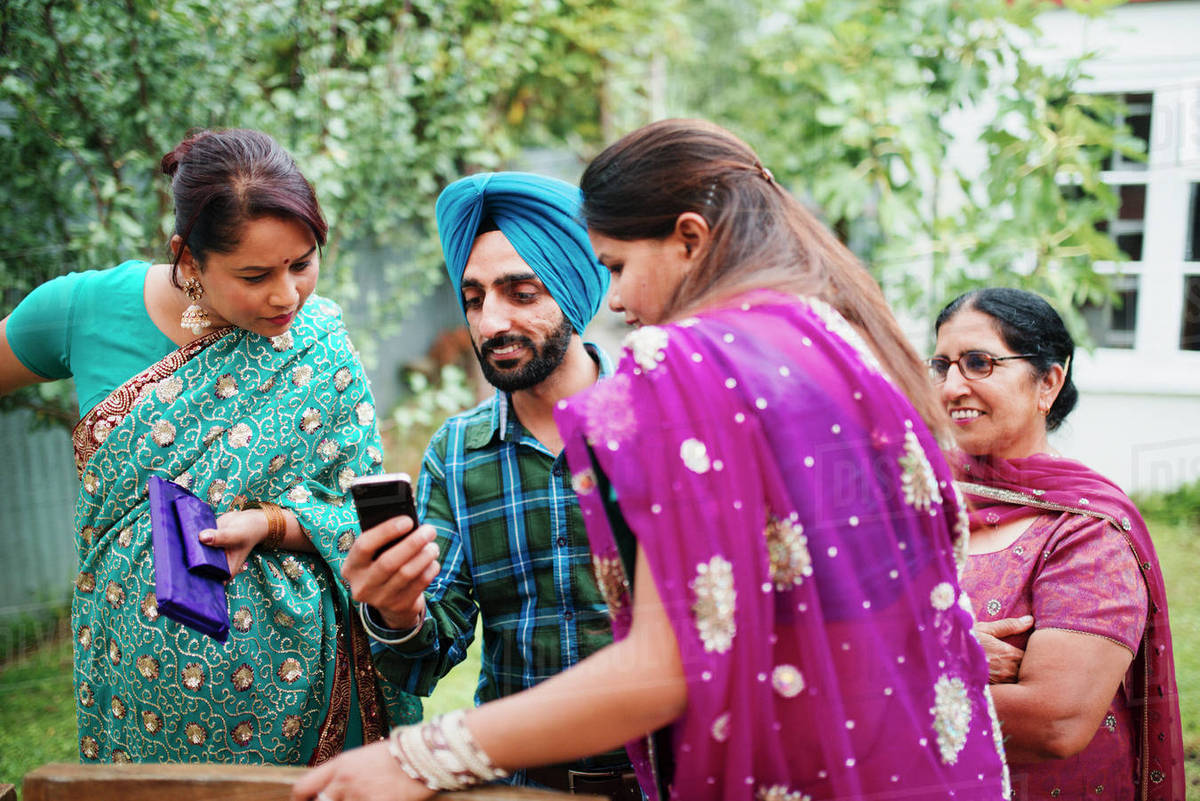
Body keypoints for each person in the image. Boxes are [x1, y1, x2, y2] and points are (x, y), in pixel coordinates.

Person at [295, 119, 1009, 801]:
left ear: (690, 240)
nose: (620, 297)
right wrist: (396, 606)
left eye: (617, 266)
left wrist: (419, 755)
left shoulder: (682, 367)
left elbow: (664, 669)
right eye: (474, 297)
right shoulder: (837, 338)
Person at [0, 128, 420, 764]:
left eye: (302, 263)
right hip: (136, 691)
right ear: (187, 258)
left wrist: (269, 523)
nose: (286, 296)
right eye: (254, 275)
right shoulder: (84, 310)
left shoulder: (321, 341)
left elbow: (357, 517)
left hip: (305, 698)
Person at [342, 172, 639, 798]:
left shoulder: (658, 424)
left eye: (522, 293)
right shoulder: (457, 454)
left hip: (665, 780)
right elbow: (427, 657)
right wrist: (396, 608)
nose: (490, 322)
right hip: (521, 787)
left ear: (576, 291)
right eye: (474, 299)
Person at [931, 287, 1184, 801]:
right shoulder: (918, 504)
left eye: (979, 363)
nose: (953, 386)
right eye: (942, 365)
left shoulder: (1086, 533)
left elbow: (1055, 724)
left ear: (1048, 381)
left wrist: (878, 683)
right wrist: (938, 657)